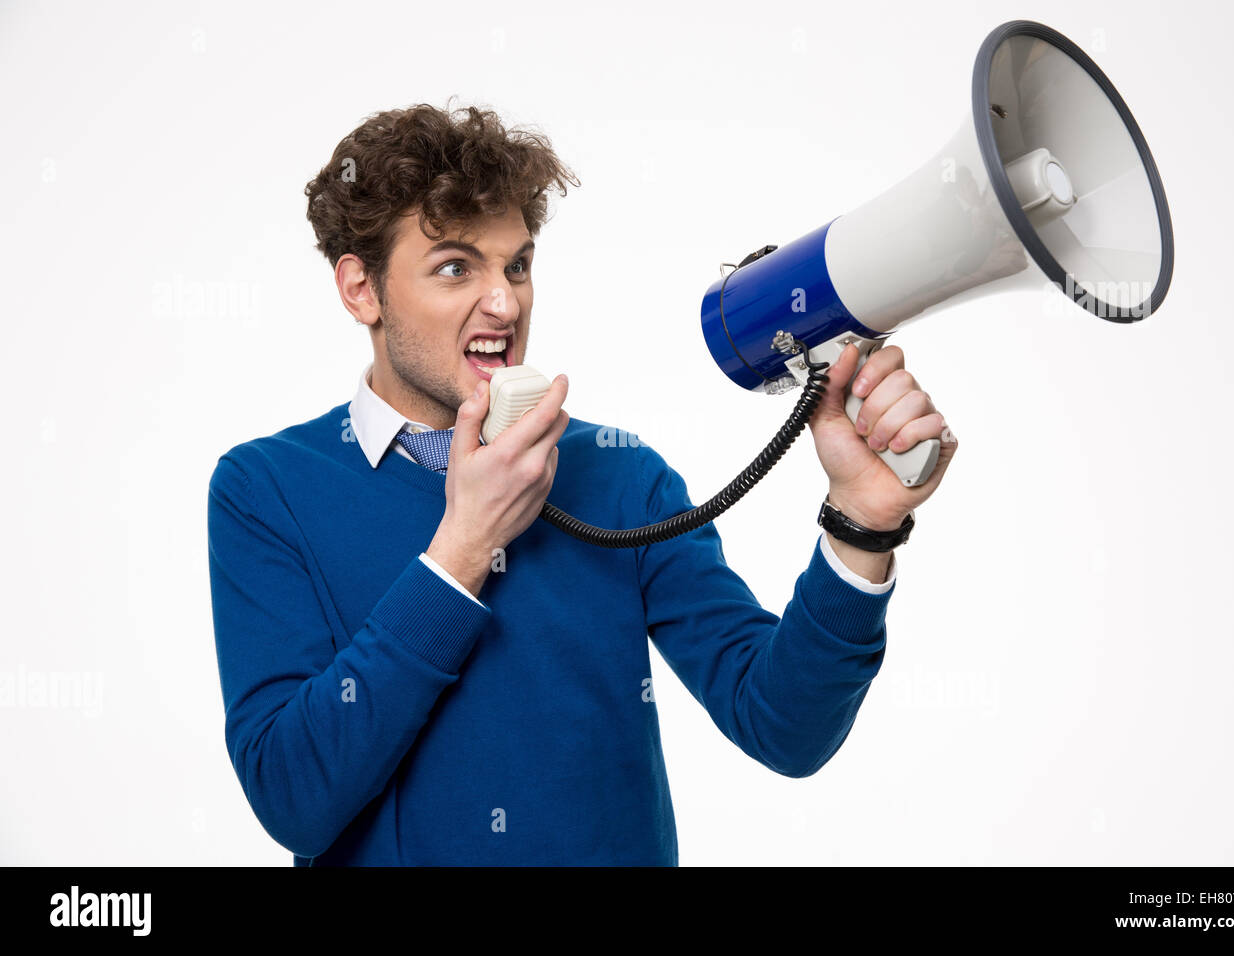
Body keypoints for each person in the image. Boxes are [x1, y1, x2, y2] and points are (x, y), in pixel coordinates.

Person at [207, 101, 958, 866]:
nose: (504, 302)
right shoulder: (266, 490)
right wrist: (463, 547)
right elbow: (292, 798)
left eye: (518, 265)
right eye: (455, 267)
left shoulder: (621, 475)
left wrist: (860, 525)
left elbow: (785, 727)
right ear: (360, 289)